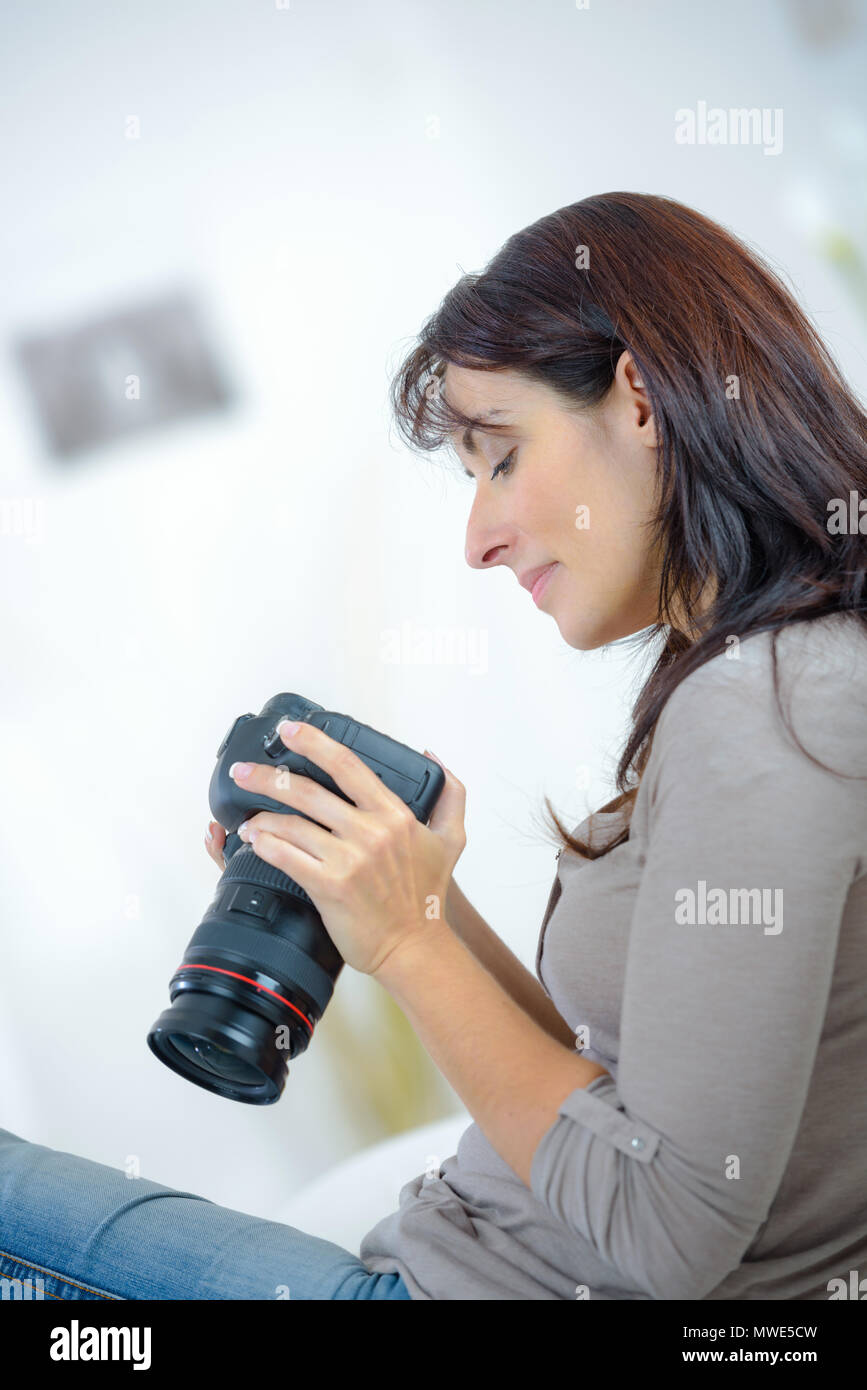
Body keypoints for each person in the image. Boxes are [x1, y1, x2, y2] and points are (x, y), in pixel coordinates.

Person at [2, 191, 866, 1301]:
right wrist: (415, 895)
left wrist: (411, 944)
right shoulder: (782, 674)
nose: (478, 538)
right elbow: (622, 1100)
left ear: (639, 398)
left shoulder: (771, 704)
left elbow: (669, 1228)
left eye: (500, 457)